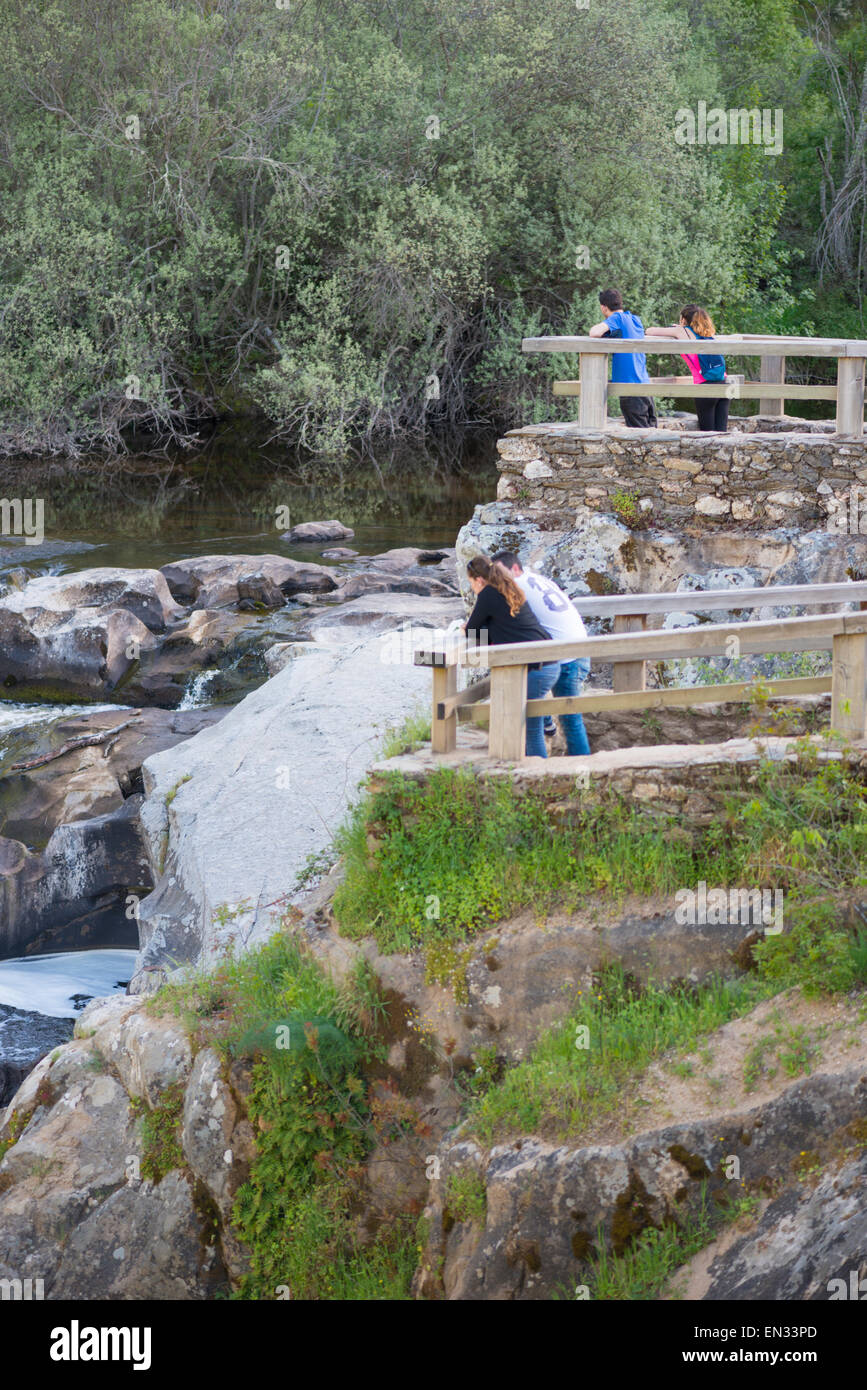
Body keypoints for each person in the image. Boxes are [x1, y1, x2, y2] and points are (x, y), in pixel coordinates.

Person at [491, 552, 591, 755]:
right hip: (577, 648)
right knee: (555, 705)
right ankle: (548, 724)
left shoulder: (517, 586)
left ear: (515, 569)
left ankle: (584, 771)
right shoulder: (538, 579)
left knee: (570, 719)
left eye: (500, 573)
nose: (497, 579)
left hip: (566, 656)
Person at [463, 556, 561, 759]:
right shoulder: (508, 589)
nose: (472, 588)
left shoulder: (488, 594)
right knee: (533, 708)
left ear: (478, 580)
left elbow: (472, 631)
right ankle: (547, 721)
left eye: (471, 583)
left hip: (536, 668)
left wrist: (467, 627)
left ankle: (538, 773)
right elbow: (504, 628)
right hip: (550, 661)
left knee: (529, 729)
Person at [645, 304, 729, 431]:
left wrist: (677, 328)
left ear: (683, 319)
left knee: (708, 435)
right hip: (724, 384)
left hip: (705, 387)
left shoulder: (681, 331)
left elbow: (649, 331)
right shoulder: (708, 334)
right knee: (722, 434)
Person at [588, 288, 657, 429]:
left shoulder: (616, 318)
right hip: (645, 385)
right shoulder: (635, 319)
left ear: (603, 307)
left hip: (629, 388)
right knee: (652, 435)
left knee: (640, 438)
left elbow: (594, 332)